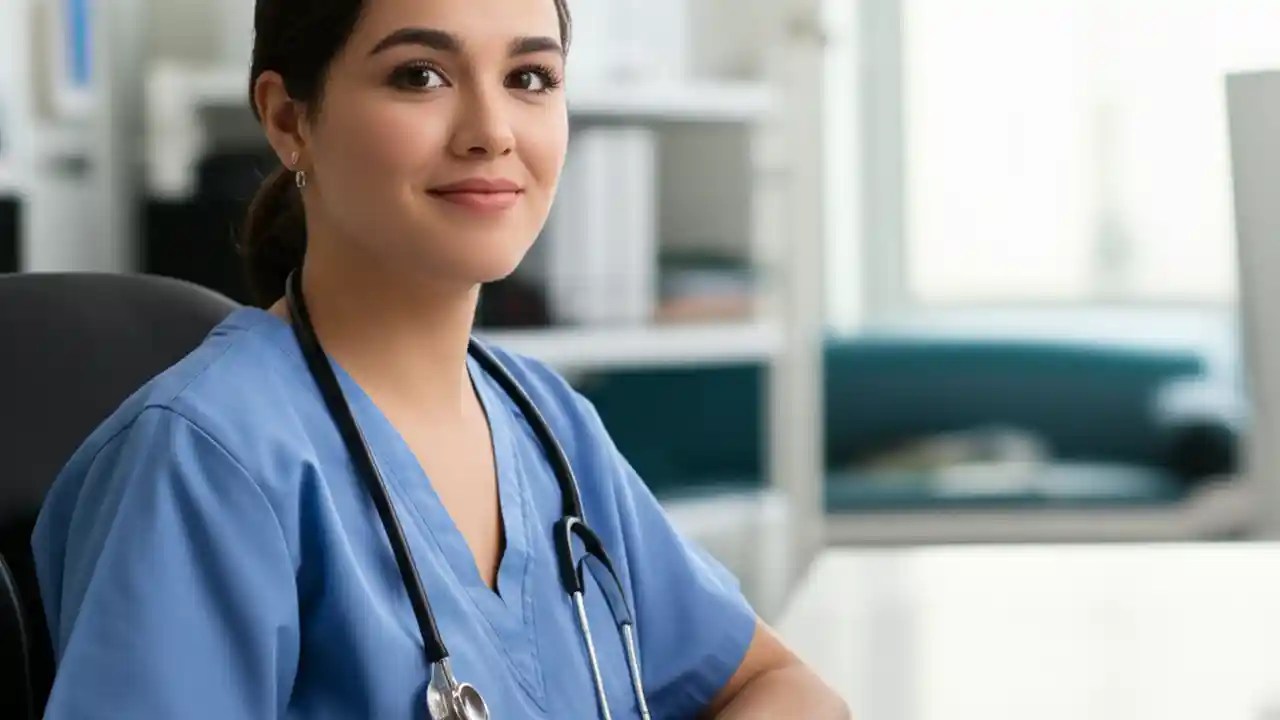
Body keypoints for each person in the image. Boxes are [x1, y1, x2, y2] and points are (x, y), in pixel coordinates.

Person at [30, 0, 850, 717]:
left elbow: (787, 687)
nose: (492, 131)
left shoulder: (545, 421)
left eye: (530, 78)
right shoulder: (207, 464)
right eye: (420, 76)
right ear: (288, 120)